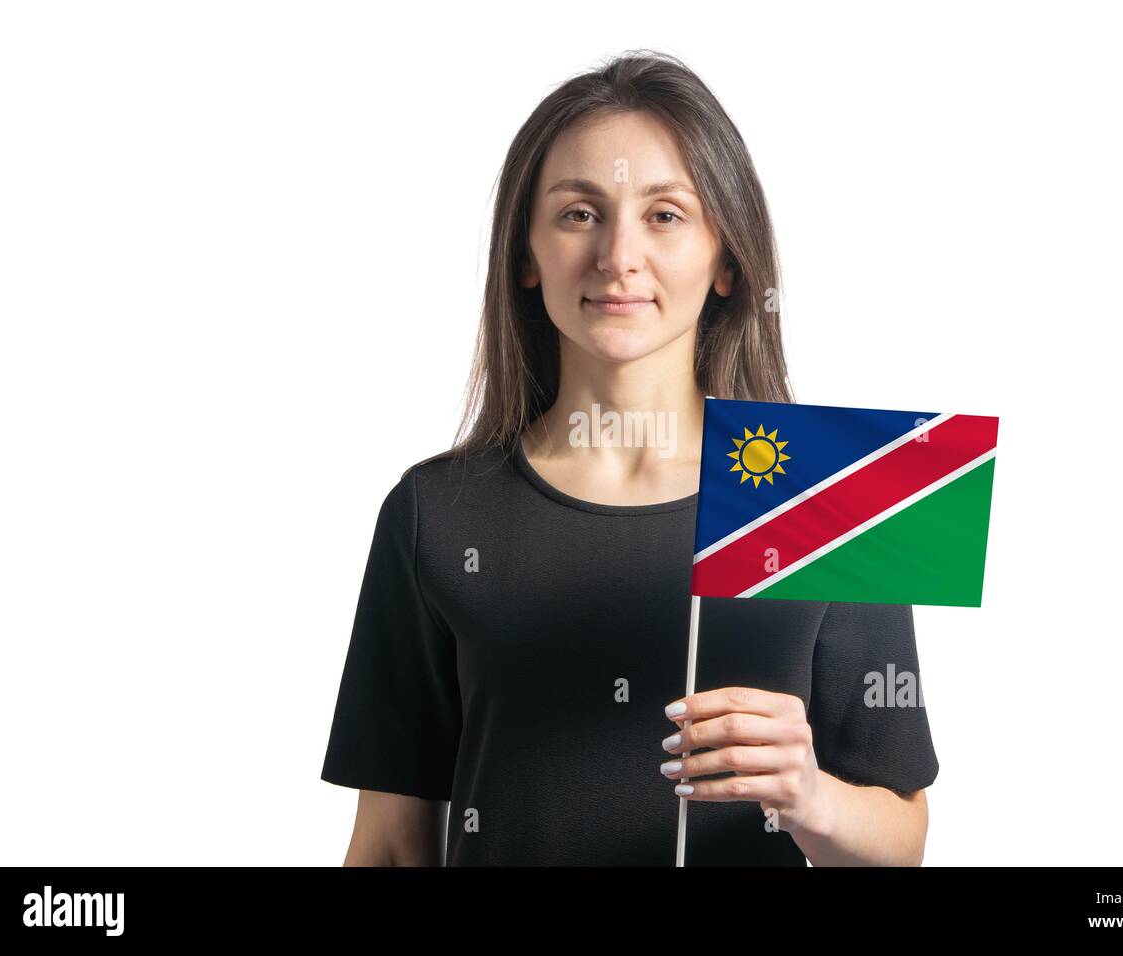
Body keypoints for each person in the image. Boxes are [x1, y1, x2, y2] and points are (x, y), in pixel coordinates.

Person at [320, 50, 938, 866]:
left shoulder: (832, 495)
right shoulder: (436, 513)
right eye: (579, 213)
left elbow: (902, 841)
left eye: (665, 215)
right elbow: (392, 847)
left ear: (726, 259)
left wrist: (811, 797)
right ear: (525, 256)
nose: (618, 257)